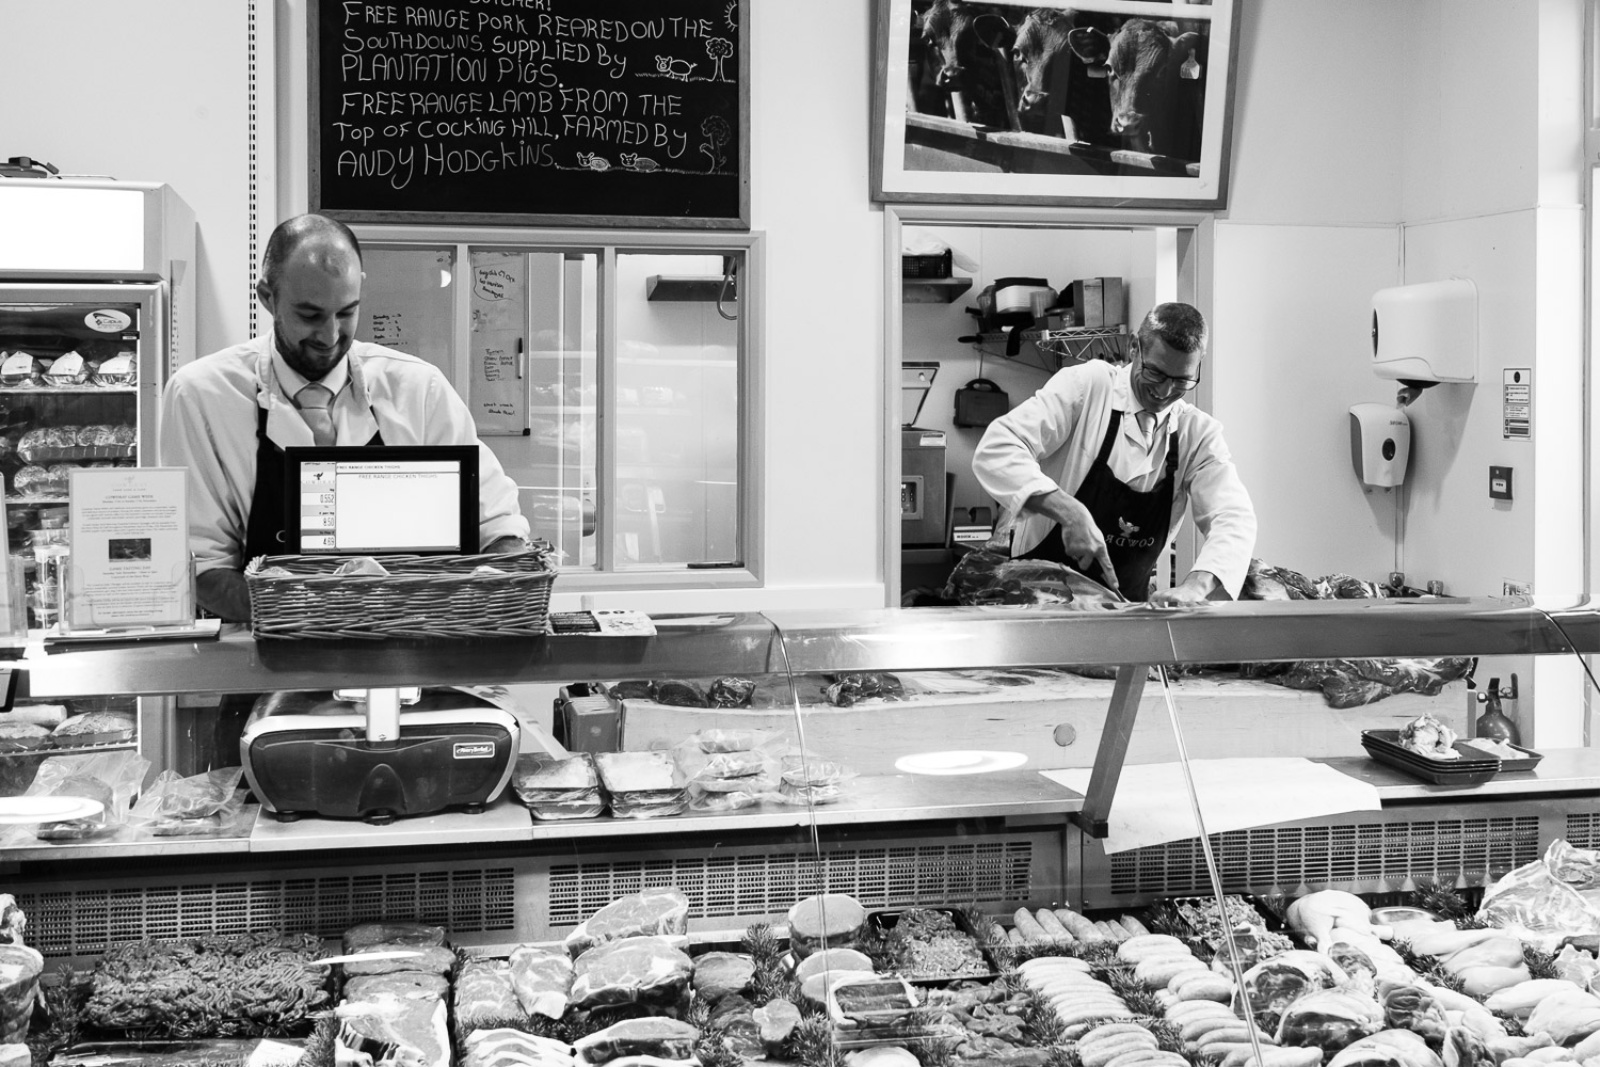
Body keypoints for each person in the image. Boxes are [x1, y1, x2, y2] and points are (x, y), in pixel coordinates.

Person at [161, 213, 531, 622]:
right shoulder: (202, 396)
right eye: (310, 315)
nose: (330, 336)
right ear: (267, 297)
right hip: (265, 663)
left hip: (410, 656)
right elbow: (201, 566)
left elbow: (496, 522)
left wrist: (498, 581)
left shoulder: (418, 390)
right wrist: (317, 615)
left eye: (346, 312)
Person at [972, 301, 1255, 606]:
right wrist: (1070, 512)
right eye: (1156, 374)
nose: (1163, 392)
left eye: (1181, 381)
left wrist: (1197, 585)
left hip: (1126, 614)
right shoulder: (1089, 386)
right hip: (1039, 603)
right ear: (1135, 348)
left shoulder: (1195, 433)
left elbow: (1233, 516)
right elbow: (998, 447)